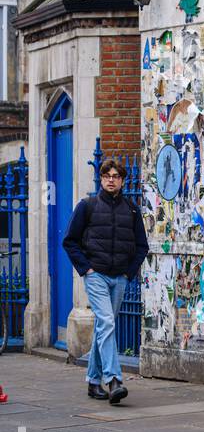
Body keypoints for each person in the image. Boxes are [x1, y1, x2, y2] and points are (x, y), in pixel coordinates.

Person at [62, 159, 149, 404]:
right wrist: (86, 269)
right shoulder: (87, 206)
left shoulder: (131, 209)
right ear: (101, 179)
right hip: (96, 275)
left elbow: (142, 246)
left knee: (104, 327)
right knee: (108, 321)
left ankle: (93, 380)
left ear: (122, 181)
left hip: (119, 277)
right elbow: (69, 241)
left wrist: (128, 273)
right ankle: (113, 380)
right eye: (107, 175)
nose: (111, 179)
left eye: (116, 176)